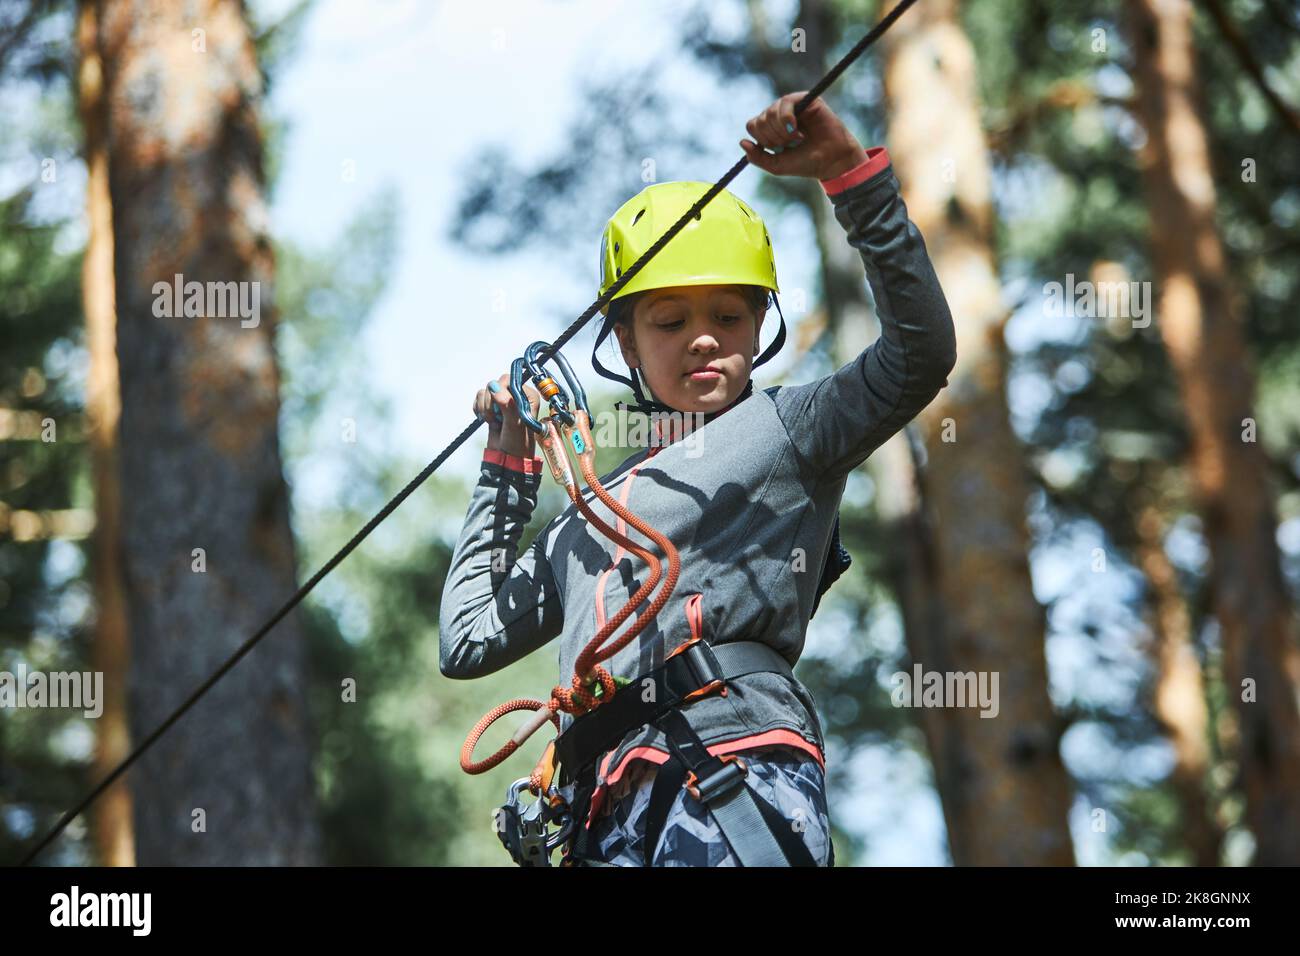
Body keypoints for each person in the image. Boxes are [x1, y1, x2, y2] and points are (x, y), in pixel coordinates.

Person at [440, 91, 956, 866]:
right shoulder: (588, 518)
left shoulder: (788, 429)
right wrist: (507, 465)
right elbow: (468, 637)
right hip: (602, 815)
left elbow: (919, 354)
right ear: (626, 341)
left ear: (761, 326)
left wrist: (851, 178)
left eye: (730, 317)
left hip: (730, 769)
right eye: (670, 321)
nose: (704, 340)